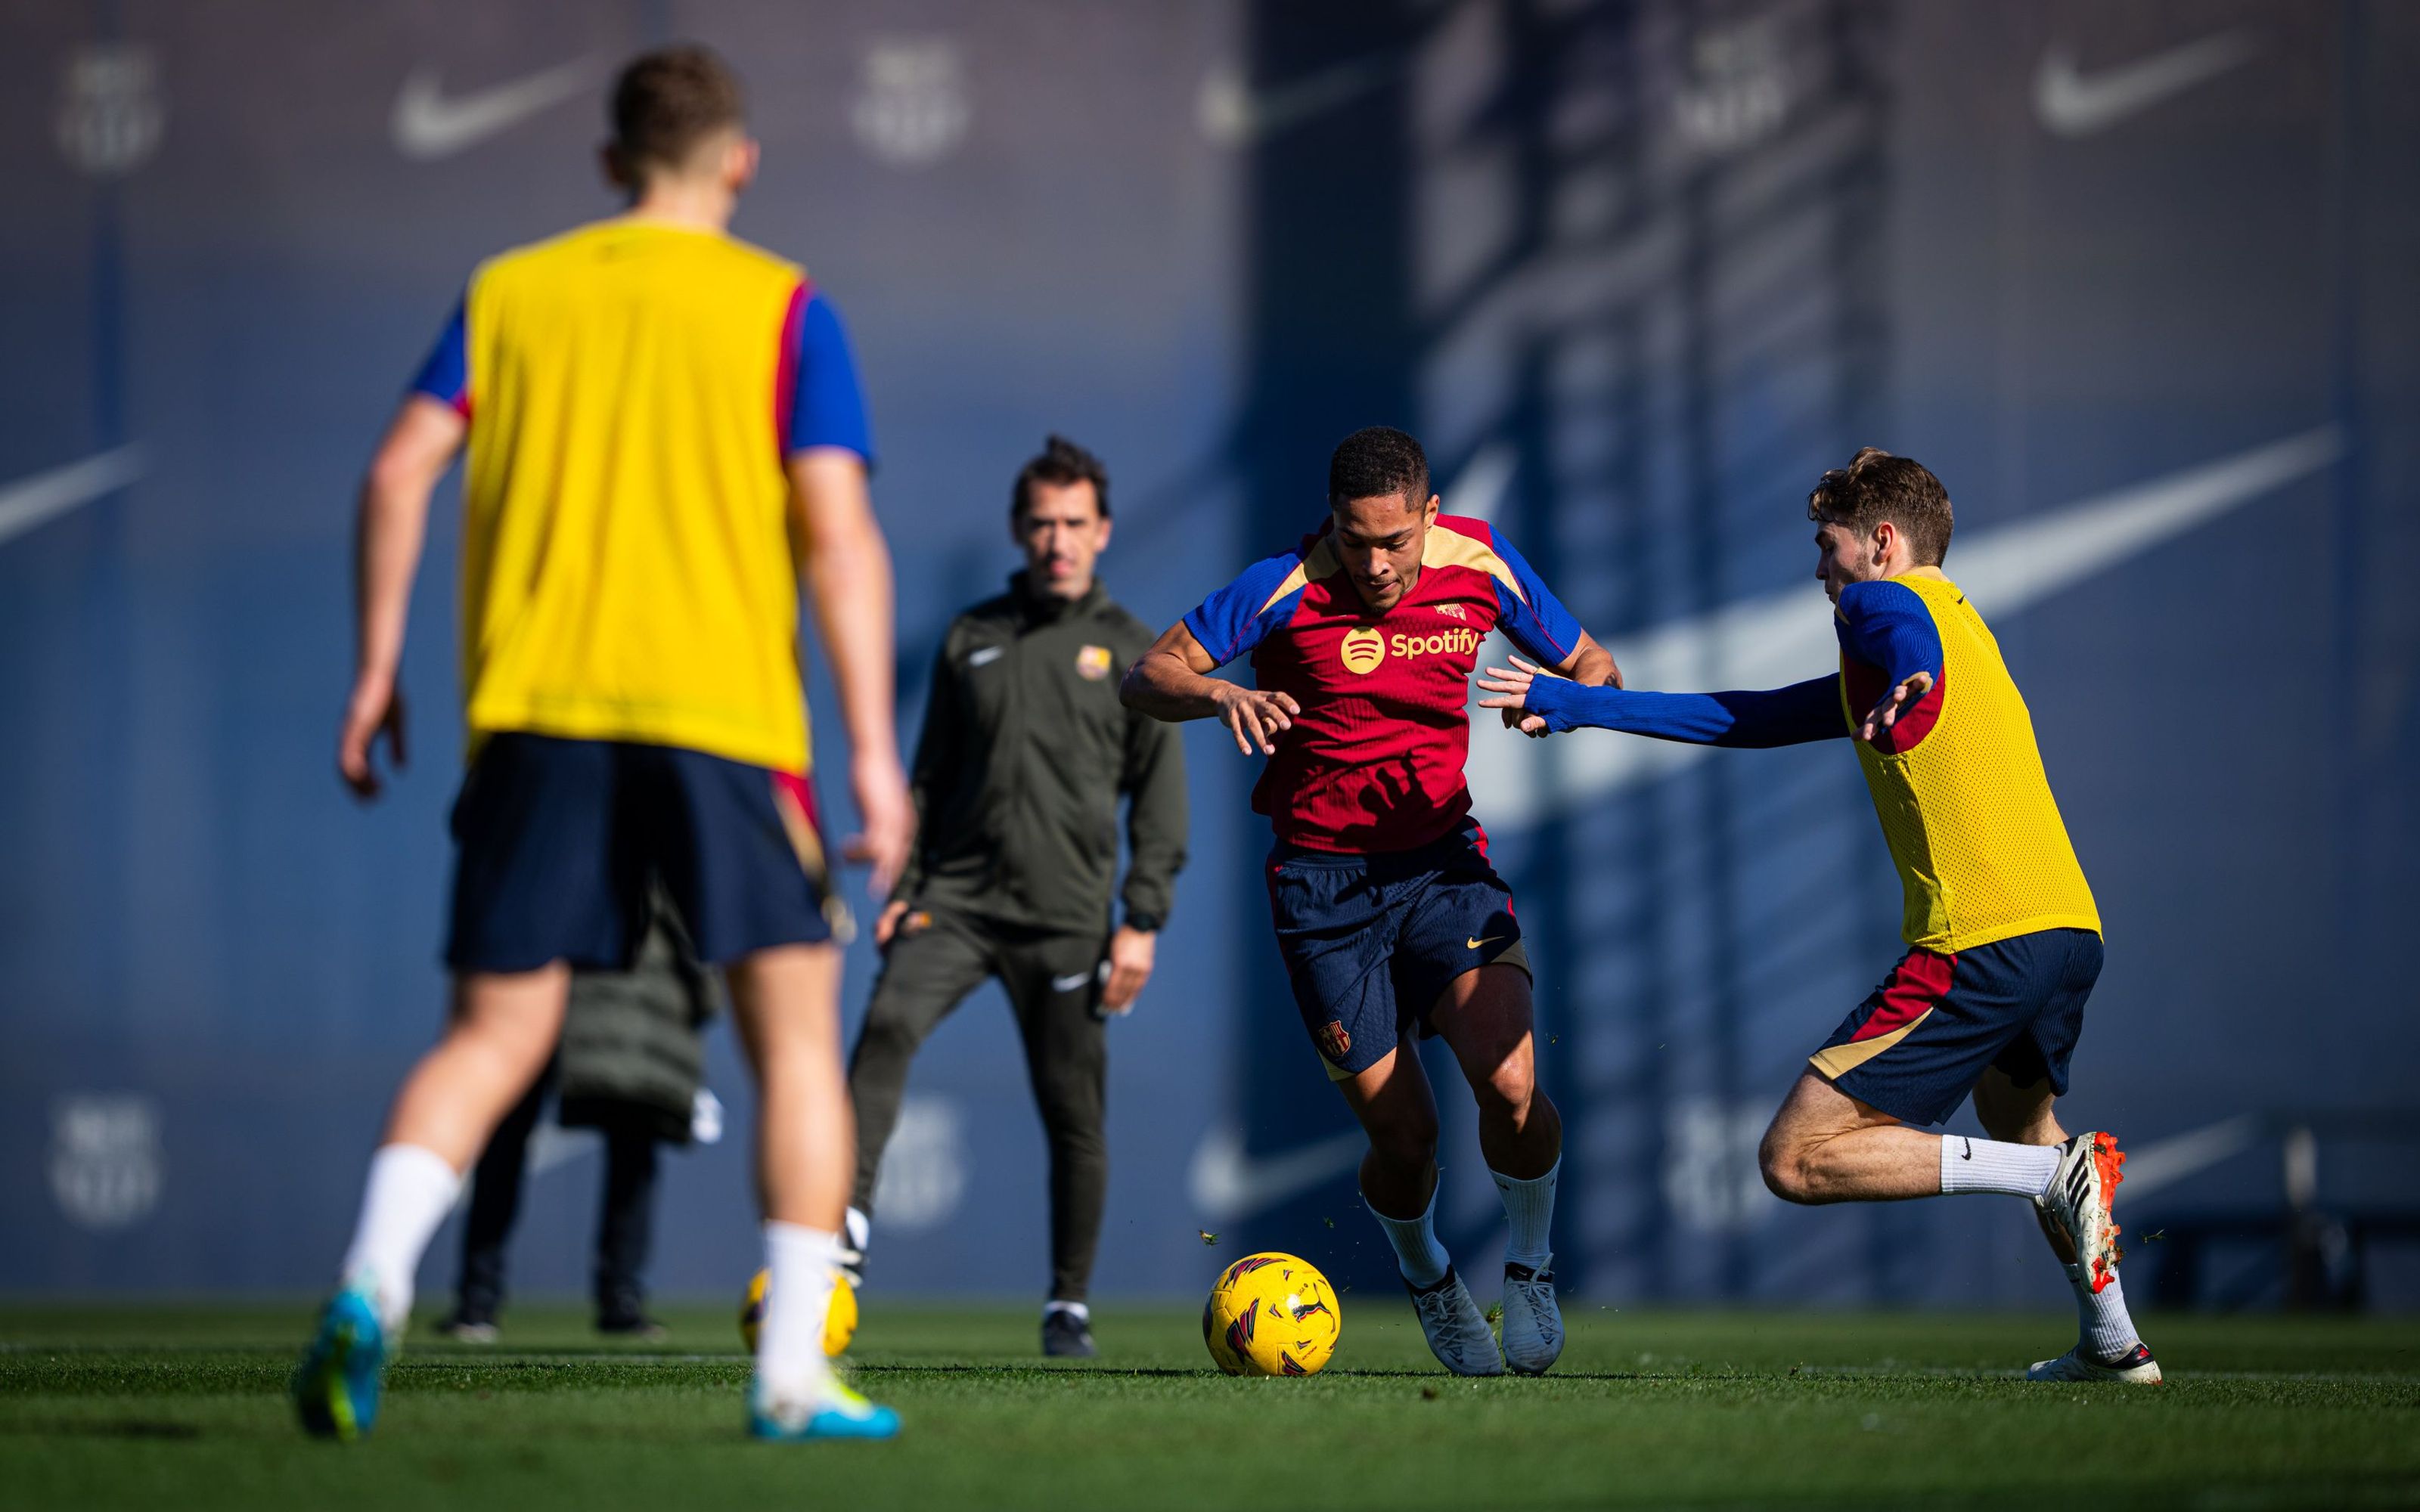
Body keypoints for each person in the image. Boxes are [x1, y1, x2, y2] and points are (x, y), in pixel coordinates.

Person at [293, 45, 912, 1441]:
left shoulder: (513, 290)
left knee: (493, 1033)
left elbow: (398, 466)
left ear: (609, 162)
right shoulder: (784, 308)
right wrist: (874, 749)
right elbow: (837, 534)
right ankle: (790, 1377)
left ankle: (372, 1284)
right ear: (740, 160)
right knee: (797, 1045)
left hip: (535, 713)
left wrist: (379, 664)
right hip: (724, 722)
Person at [1476, 446, 2154, 1383]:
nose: (1818, 570)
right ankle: (2114, 1341)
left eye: (1826, 544)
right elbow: (1739, 716)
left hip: (1980, 938)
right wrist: (1582, 705)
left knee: (1795, 1157)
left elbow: (1891, 623)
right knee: (2020, 1120)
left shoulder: (1889, 606)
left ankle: (2056, 1177)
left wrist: (1908, 671)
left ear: (1881, 541)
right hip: (2065, 930)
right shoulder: (1955, 626)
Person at [1122, 426, 1618, 1377]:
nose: (1377, 563)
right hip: (1321, 889)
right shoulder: (1284, 582)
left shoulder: (1480, 560)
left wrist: (1564, 698)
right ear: (1331, 523)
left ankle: (1528, 1264)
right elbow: (1150, 675)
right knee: (1407, 1137)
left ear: (1430, 517)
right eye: (1357, 541)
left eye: (1395, 541)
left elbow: (1595, 662)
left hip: (1442, 866)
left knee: (1510, 1085)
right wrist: (1217, 694)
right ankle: (1426, 1270)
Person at [845, 435, 1187, 1358]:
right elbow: (929, 778)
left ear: (1103, 531)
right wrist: (907, 885)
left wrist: (1141, 921)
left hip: (1068, 921)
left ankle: (1067, 1302)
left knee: (1073, 1109)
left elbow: (1159, 807)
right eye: (1040, 522)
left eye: (1074, 522)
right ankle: (838, 1247)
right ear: (1016, 529)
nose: (1056, 540)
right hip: (954, 904)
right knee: (883, 1027)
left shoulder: (1136, 655)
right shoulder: (970, 638)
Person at [439, 897, 719, 1343]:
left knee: (604, 1139)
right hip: (611, 976)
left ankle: (480, 1298)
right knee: (617, 1143)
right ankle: (614, 1297)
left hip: (605, 976)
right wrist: (705, 987)